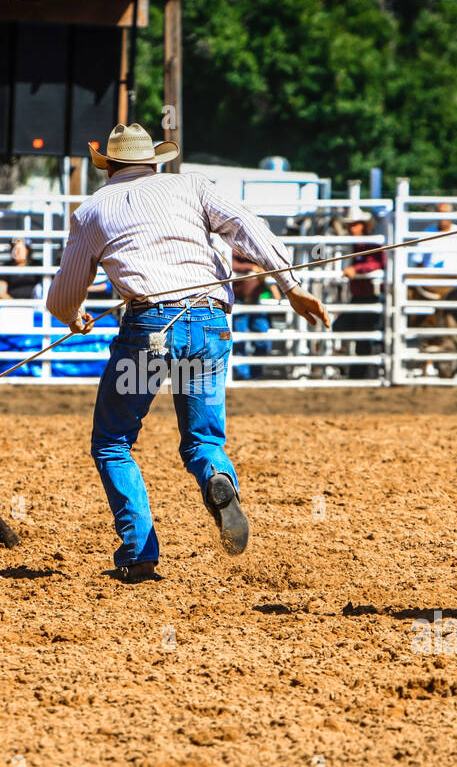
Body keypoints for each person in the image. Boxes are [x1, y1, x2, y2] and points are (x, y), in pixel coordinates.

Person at [48, 122, 329, 583]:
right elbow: (248, 227)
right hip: (208, 327)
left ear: (109, 165)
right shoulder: (193, 186)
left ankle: (139, 553)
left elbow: (61, 299)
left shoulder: (92, 210)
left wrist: (73, 315)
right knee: (203, 440)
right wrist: (291, 284)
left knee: (113, 442)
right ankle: (217, 478)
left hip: (148, 333)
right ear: (155, 161)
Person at [332, 211, 386, 380]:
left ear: (364, 225)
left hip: (371, 297)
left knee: (364, 338)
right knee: (341, 327)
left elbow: (378, 263)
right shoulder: (355, 244)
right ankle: (356, 369)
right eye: (350, 225)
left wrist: (356, 269)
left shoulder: (373, 242)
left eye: (355, 224)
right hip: (358, 297)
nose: (351, 228)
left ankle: (360, 374)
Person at [230, 250, 276, 380]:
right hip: (239, 300)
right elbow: (230, 262)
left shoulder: (259, 252)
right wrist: (252, 268)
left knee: (262, 336)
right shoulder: (234, 247)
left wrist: (259, 269)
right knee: (239, 338)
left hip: (256, 300)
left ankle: (256, 373)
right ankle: (243, 374)